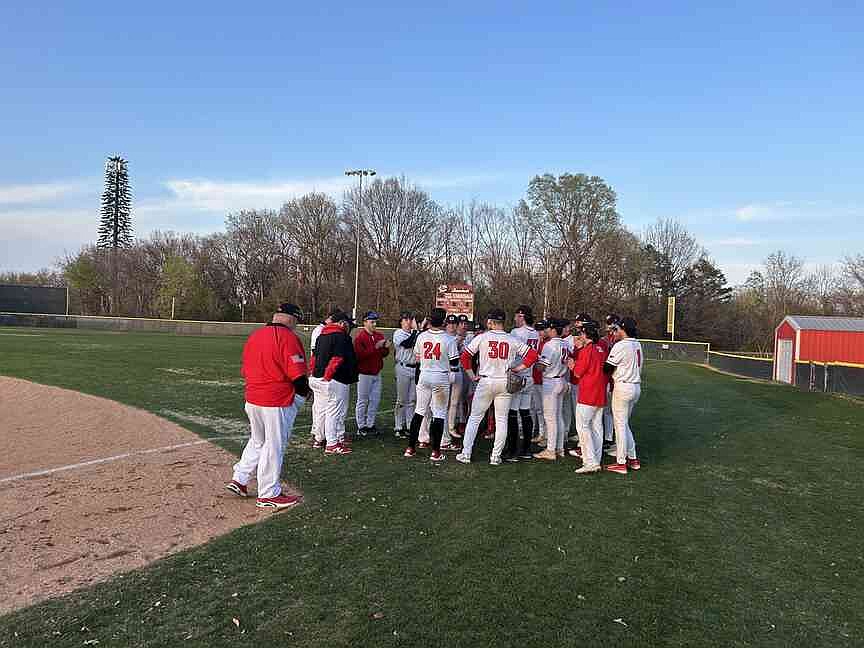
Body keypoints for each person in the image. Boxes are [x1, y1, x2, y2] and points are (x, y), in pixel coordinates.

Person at [226, 303, 309, 510]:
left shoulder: (255, 335)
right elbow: (298, 376)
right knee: (274, 445)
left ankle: (240, 479)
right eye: (296, 320)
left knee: (258, 440)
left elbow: (244, 369)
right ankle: (268, 494)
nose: (296, 325)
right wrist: (306, 393)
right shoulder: (288, 337)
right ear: (290, 318)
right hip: (276, 400)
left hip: (253, 397)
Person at [456, 308, 539, 466]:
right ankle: (495, 456)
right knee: (502, 420)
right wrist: (517, 368)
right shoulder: (510, 339)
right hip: (505, 381)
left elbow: (465, 356)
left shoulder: (483, 337)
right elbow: (533, 355)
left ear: (490, 321)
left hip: (487, 381)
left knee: (474, 418)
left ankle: (466, 453)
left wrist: (472, 375)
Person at [404, 308, 460, 462]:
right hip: (440, 377)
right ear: (443, 321)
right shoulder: (449, 339)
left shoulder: (422, 336)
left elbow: (417, 358)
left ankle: (410, 448)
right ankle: (435, 451)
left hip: (424, 374)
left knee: (419, 411)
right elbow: (454, 363)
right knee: (439, 414)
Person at [310, 311, 358, 455]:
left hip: (316, 377)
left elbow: (313, 358)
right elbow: (337, 358)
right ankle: (331, 443)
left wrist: (312, 374)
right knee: (333, 411)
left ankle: (319, 439)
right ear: (342, 323)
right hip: (332, 379)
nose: (349, 328)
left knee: (320, 409)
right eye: (348, 324)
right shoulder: (341, 336)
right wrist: (328, 376)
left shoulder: (321, 335)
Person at [568, 321, 609, 474]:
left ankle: (590, 461)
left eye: (581, 333)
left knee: (583, 427)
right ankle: (595, 459)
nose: (580, 336)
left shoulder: (587, 350)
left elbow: (578, 372)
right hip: (600, 392)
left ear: (586, 334)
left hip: (588, 393)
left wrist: (572, 364)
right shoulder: (600, 349)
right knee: (597, 427)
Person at [604, 317, 643, 474]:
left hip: (623, 386)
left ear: (623, 329)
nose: (616, 332)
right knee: (624, 424)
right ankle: (633, 459)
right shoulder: (638, 343)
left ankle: (621, 463)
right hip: (635, 386)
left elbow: (607, 368)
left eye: (618, 329)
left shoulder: (621, 345)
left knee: (619, 426)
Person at [504, 305, 540, 461]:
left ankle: (512, 450)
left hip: (518, 374)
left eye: (516, 316)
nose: (514, 319)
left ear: (521, 316)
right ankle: (526, 449)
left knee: (512, 413)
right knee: (525, 412)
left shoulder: (516, 333)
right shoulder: (536, 334)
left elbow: (512, 354)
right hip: (529, 376)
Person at [533, 319, 570, 461]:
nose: (546, 330)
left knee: (550, 417)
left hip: (551, 381)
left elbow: (541, 367)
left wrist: (536, 361)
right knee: (558, 416)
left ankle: (550, 450)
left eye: (548, 328)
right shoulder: (565, 343)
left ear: (553, 329)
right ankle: (559, 448)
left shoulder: (549, 345)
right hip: (561, 379)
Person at [353, 311, 390, 437]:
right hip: (364, 374)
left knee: (375, 400)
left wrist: (385, 347)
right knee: (362, 400)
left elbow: (384, 354)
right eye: (372, 322)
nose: (374, 324)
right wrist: (376, 347)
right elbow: (359, 356)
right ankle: (361, 425)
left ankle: (370, 424)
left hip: (376, 372)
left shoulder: (379, 335)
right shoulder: (360, 337)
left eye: (375, 322)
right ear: (365, 322)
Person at [392, 312, 420, 438]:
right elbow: (407, 344)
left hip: (414, 368)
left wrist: (417, 330)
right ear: (401, 322)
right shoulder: (398, 333)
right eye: (406, 319)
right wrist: (415, 331)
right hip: (402, 367)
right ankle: (398, 426)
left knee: (412, 400)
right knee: (401, 399)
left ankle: (409, 426)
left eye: (410, 319)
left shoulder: (415, 333)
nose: (408, 321)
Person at [600, 314, 621, 448]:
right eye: (608, 323)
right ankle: (608, 437)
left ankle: (618, 442)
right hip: (609, 379)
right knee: (608, 411)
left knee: (618, 414)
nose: (609, 326)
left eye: (611, 323)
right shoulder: (605, 339)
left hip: (618, 379)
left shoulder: (621, 340)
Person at [530, 320, 548, 445]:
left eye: (542, 329)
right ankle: (540, 433)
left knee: (545, 410)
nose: (540, 332)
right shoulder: (538, 343)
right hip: (535, 379)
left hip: (545, 380)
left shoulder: (548, 344)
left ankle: (545, 435)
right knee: (537, 408)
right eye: (538, 330)